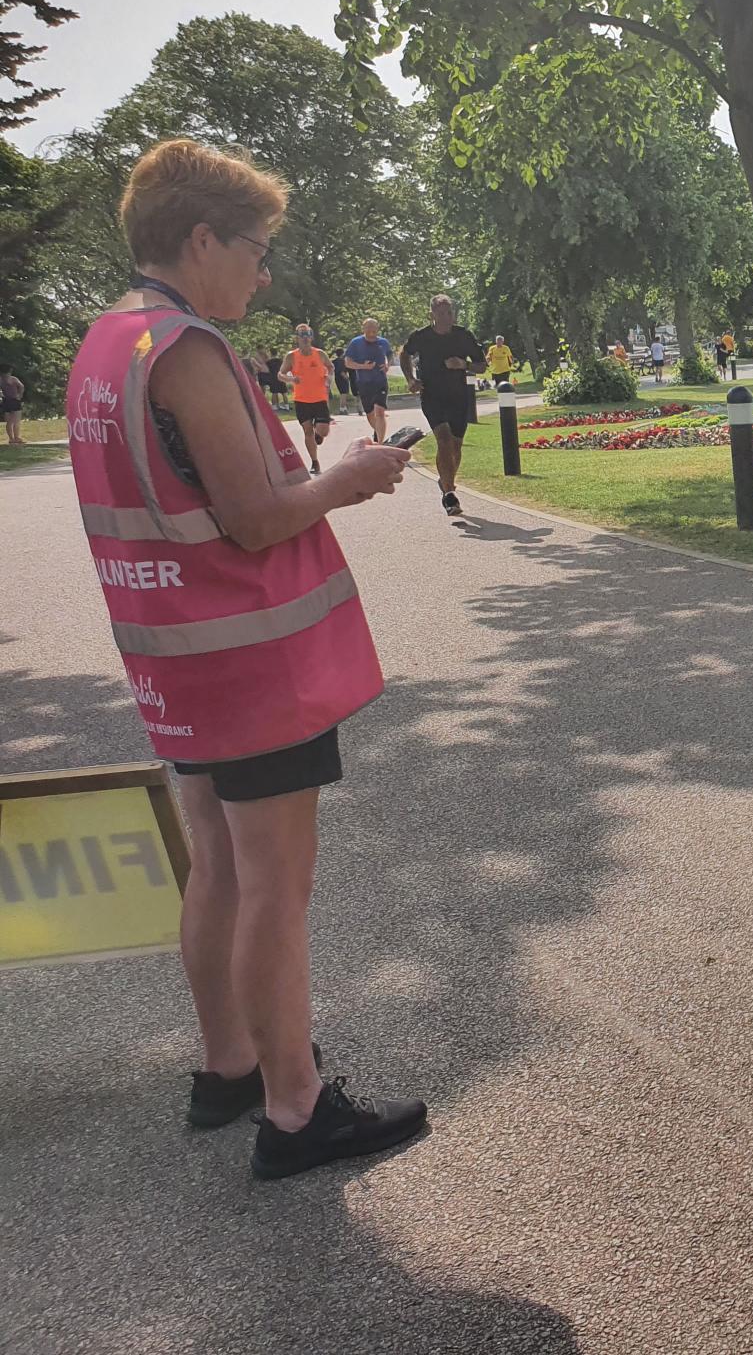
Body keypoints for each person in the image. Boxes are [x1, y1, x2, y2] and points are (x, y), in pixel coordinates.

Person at [64, 138, 424, 1179]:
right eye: (256, 249)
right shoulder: (186, 348)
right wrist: (350, 478)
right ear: (200, 237)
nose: (264, 273)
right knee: (278, 881)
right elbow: (258, 518)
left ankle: (228, 1066)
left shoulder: (109, 343)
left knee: (217, 866)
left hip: (176, 654)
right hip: (251, 657)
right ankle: (297, 1106)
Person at [401, 295, 481, 517]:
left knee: (455, 447)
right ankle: (449, 494)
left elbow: (482, 365)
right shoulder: (421, 337)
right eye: (441, 313)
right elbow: (404, 355)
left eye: (449, 312)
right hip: (432, 396)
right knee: (444, 440)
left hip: (458, 396)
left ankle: (446, 481)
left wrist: (463, 364)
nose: (446, 317)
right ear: (432, 315)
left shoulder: (463, 336)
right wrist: (410, 379)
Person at [281, 323, 333, 475]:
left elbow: (330, 367)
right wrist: (290, 379)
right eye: (302, 335)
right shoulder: (292, 356)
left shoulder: (320, 354)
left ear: (311, 337)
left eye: (308, 335)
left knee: (323, 431)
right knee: (307, 431)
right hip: (302, 400)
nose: (305, 338)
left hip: (319, 398)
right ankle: (314, 462)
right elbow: (280, 374)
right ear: (297, 338)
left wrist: (329, 378)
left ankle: (319, 434)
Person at [344, 317, 395, 444]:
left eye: (374, 330)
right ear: (364, 329)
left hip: (380, 381)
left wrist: (388, 365)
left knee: (380, 411)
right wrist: (363, 366)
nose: (371, 333)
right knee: (370, 413)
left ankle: (380, 443)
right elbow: (348, 363)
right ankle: (378, 432)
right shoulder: (356, 343)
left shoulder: (383, 342)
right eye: (368, 330)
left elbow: (390, 355)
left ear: (377, 329)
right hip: (364, 382)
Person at [2, 368, 24, 445]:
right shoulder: (13, 379)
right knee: (16, 421)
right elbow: (21, 386)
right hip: (14, 400)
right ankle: (16, 437)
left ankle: (11, 438)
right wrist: (19, 395)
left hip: (6, 401)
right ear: (9, 372)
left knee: (9, 422)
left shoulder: (1, 380)